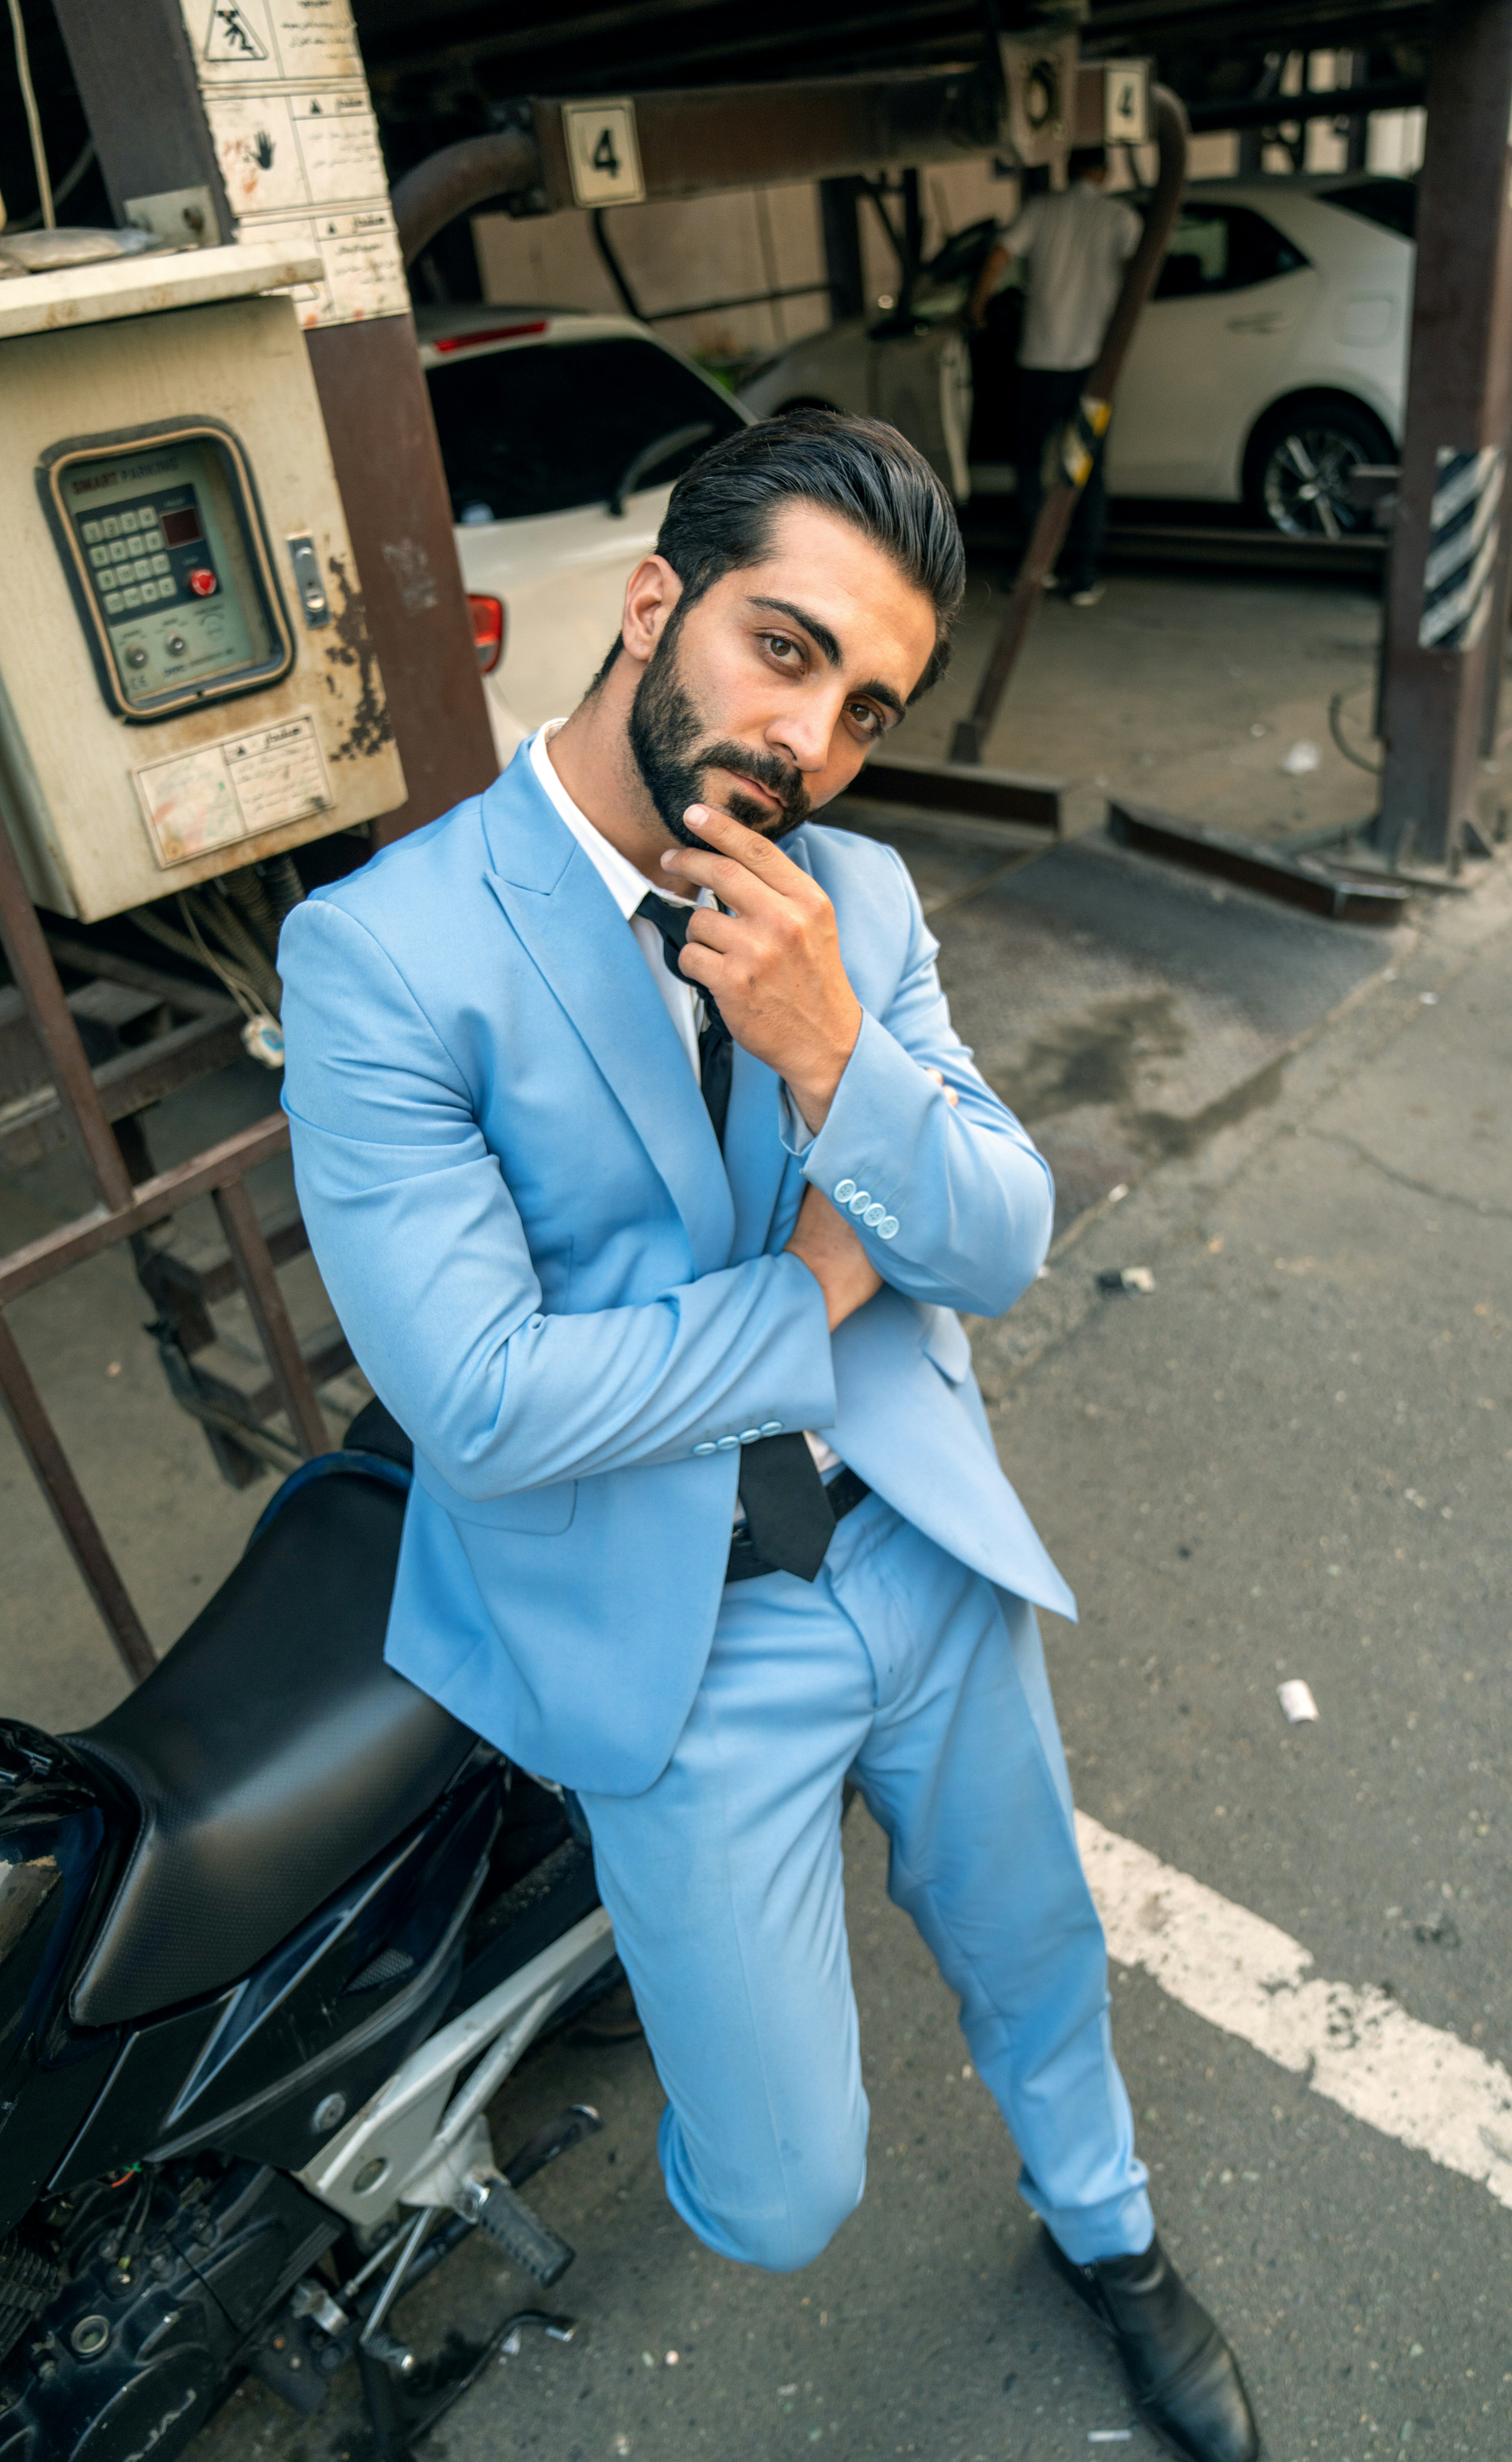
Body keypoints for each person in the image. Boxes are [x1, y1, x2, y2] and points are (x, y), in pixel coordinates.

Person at [278, 411, 1258, 2462]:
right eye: (781, 650)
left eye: (867, 703)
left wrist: (834, 1057)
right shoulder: (390, 955)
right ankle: (643, 1990)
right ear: (654, 609)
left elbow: (993, 1236)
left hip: (913, 1546)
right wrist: (818, 1292)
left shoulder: (858, 904)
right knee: (787, 2190)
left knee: (1032, 1948)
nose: (811, 740)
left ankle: (1115, 2237)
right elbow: (483, 1404)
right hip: (677, 1639)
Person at [966, 145, 1142, 606]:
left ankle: (1035, 568)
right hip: (1094, 367)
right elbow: (1137, 279)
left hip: (1037, 361)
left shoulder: (1040, 211)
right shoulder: (1121, 219)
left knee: (1029, 466)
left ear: (1068, 169)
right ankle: (1083, 576)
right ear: (1106, 172)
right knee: (1087, 471)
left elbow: (997, 257)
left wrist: (977, 307)